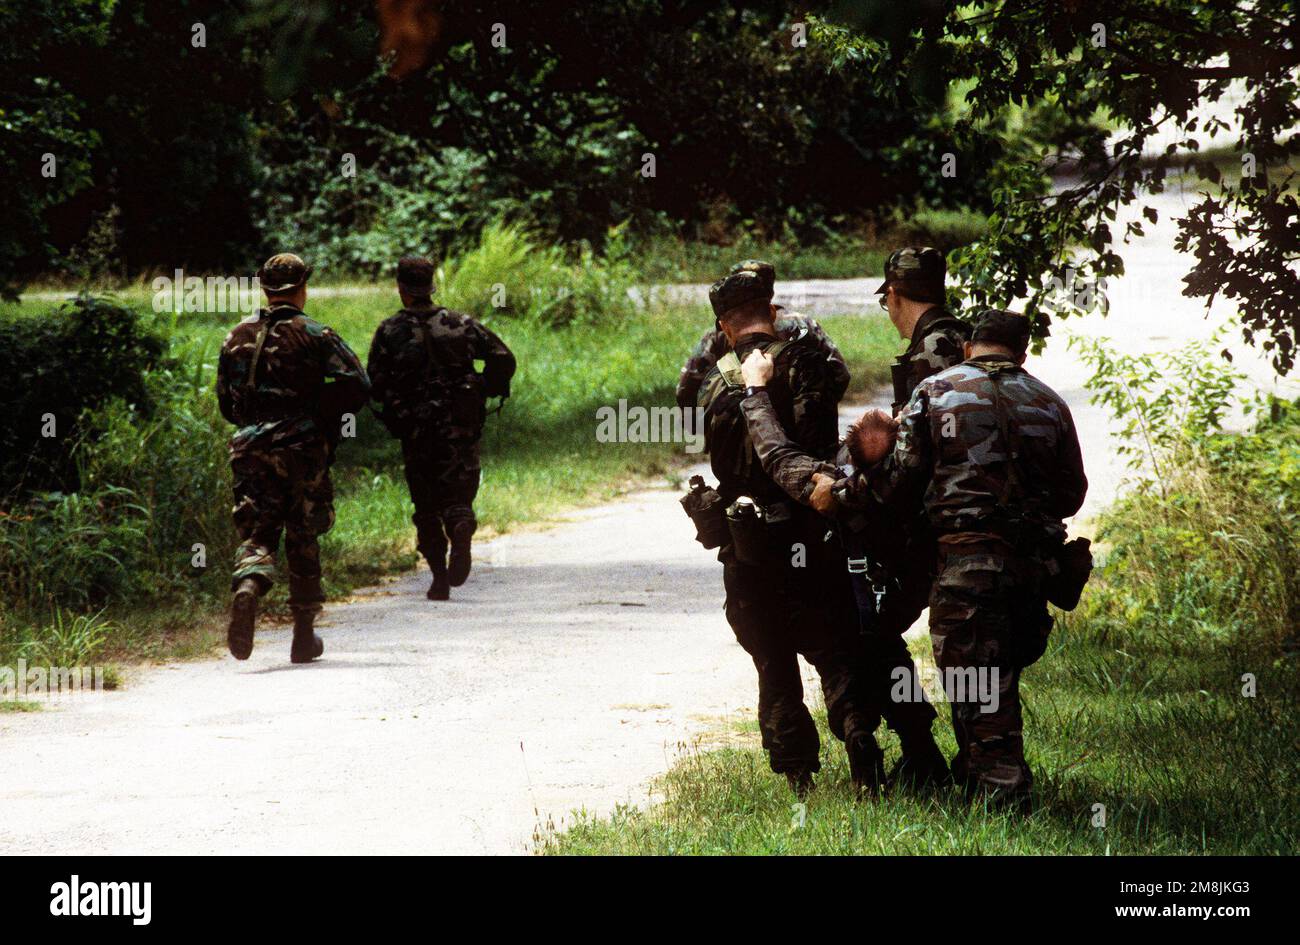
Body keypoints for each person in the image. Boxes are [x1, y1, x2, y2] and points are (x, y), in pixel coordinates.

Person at [816, 310, 1087, 811]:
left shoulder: (936, 392)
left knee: (978, 682)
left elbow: (898, 481)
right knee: (993, 676)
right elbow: (1071, 494)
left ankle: (1002, 795)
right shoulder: (1050, 402)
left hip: (967, 566)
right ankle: (980, 770)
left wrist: (844, 493)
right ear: (1021, 353)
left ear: (969, 348)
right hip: (1031, 568)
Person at [696, 261, 885, 798]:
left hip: (748, 540)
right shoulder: (810, 363)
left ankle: (799, 777)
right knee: (834, 646)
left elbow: (697, 417)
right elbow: (827, 416)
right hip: (812, 525)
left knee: (772, 658)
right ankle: (857, 735)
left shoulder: (717, 379)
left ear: (725, 325)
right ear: (772, 312)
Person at [217, 253, 370, 663]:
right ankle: (304, 634)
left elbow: (226, 405)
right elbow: (358, 384)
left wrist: (255, 425)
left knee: (258, 531)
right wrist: (323, 419)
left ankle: (249, 585)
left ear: (263, 287)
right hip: (302, 448)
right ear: (303, 287)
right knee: (303, 532)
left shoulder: (235, 336)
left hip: (250, 448)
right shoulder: (316, 333)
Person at [367, 255, 517, 600]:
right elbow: (503, 358)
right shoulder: (460, 323)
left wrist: (396, 405)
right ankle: (461, 520)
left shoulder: (390, 331)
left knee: (425, 502)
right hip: (459, 424)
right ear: (432, 287)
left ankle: (438, 577)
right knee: (459, 485)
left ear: (401, 289)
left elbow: (373, 381)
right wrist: (483, 386)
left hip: (416, 428)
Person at [675, 260, 849, 413]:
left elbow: (687, 389)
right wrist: (818, 407)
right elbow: (839, 372)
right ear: (771, 290)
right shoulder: (803, 325)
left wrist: (708, 430)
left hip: (738, 434)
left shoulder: (719, 333)